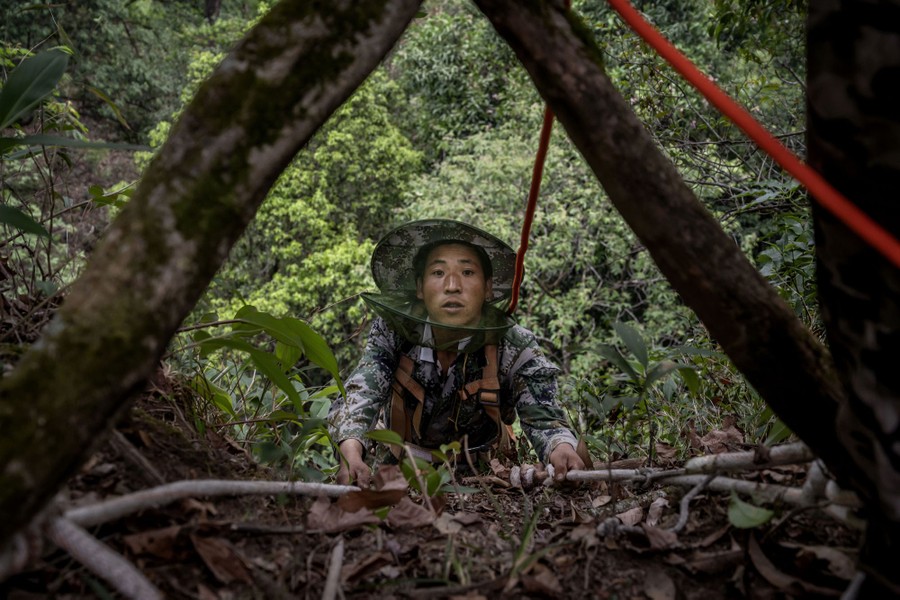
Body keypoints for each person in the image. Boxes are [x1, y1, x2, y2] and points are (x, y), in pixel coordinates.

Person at [328, 219, 585, 487]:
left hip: (486, 474)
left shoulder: (512, 343)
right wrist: (350, 451)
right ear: (420, 287)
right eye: (438, 272)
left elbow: (544, 416)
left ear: (488, 287)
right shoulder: (394, 332)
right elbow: (363, 390)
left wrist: (561, 448)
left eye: (467, 272)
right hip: (399, 471)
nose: (452, 285)